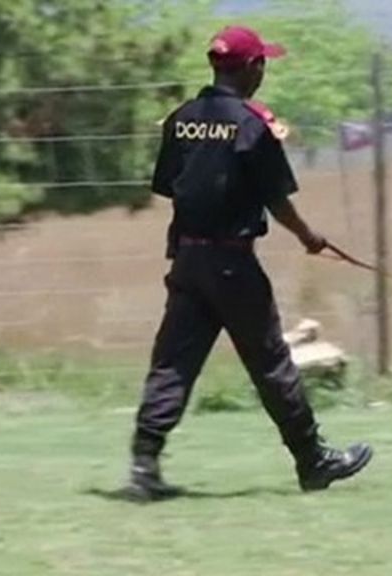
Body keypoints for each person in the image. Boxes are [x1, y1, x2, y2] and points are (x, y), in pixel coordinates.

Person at [126, 25, 372, 500]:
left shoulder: (181, 118)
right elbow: (276, 198)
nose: (264, 71)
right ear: (252, 67)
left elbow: (168, 186)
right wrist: (309, 237)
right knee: (271, 363)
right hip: (232, 264)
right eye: (263, 63)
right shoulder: (252, 125)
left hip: (187, 259)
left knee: (173, 363)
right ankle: (313, 460)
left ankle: (143, 464)